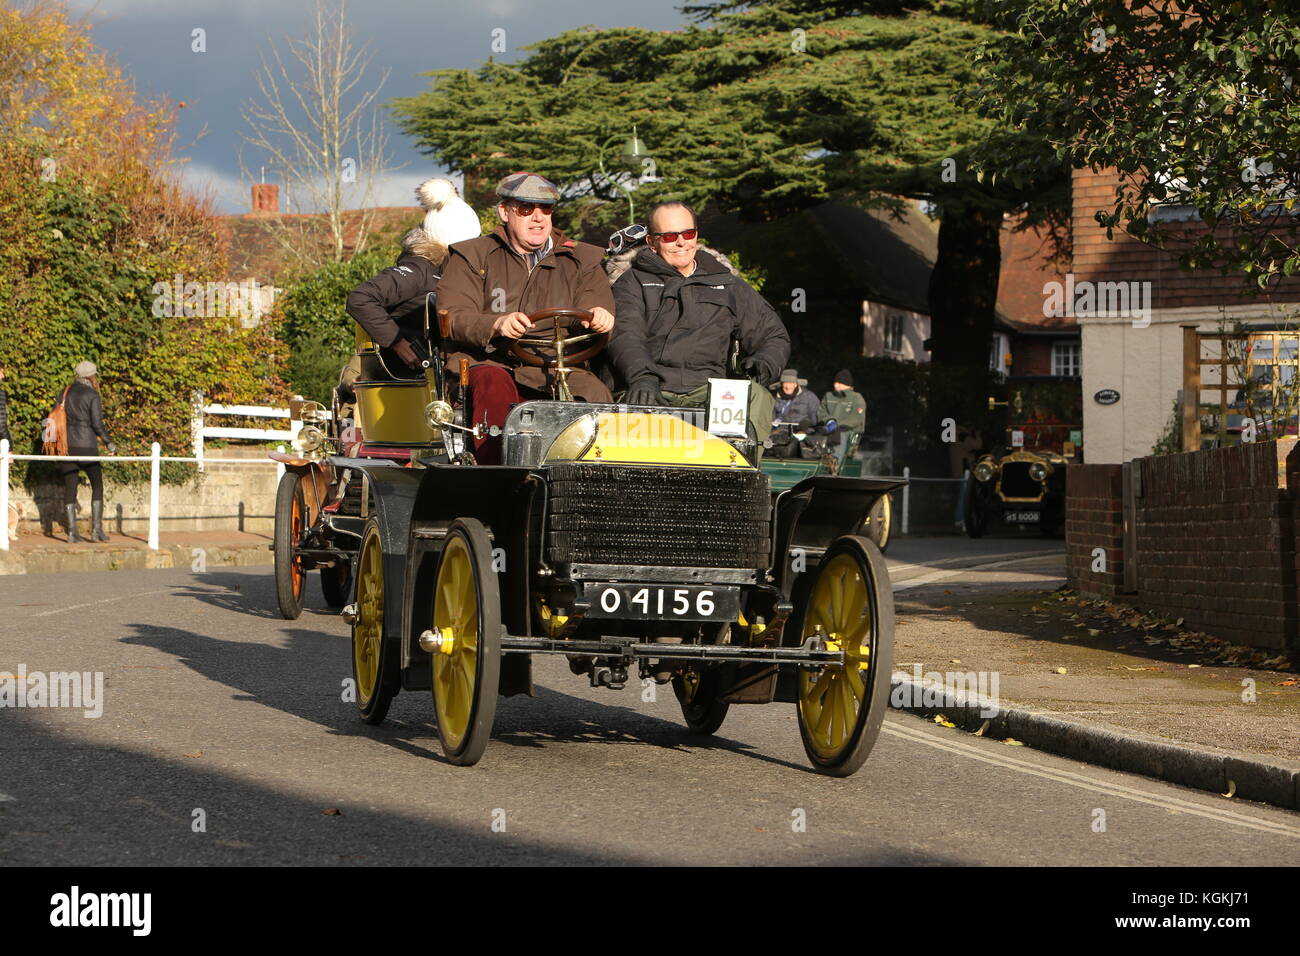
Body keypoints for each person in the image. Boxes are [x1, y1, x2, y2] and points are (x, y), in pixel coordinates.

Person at [436, 172, 615, 464]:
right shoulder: (472, 255)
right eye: (526, 209)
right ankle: (498, 476)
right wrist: (495, 324)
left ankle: (592, 478)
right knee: (494, 384)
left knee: (595, 392)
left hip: (556, 364)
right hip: (490, 360)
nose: (538, 218)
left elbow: (594, 303)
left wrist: (598, 316)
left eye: (546, 209)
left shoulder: (582, 259)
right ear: (504, 212)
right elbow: (452, 315)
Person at [608, 201, 789, 447]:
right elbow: (625, 335)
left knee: (756, 397)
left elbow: (773, 335)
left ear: (696, 235)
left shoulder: (727, 283)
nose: (681, 242)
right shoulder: (632, 283)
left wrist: (766, 362)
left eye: (688, 234)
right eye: (670, 236)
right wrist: (642, 378)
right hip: (652, 386)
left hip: (710, 391)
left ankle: (739, 474)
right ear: (652, 242)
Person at [345, 226, 449, 378]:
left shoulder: (437, 274)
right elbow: (360, 298)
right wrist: (398, 342)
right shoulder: (417, 272)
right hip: (409, 378)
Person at [60, 361, 114, 543]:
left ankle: (71, 532)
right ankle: (96, 530)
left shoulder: (65, 392)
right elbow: (97, 424)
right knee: (97, 485)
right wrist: (109, 443)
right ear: (92, 376)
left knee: (70, 487)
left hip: (67, 446)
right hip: (87, 446)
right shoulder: (92, 394)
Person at [818, 368, 867, 466]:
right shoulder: (829, 396)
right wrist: (829, 421)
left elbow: (857, 418)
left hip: (849, 432)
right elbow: (821, 412)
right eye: (835, 382)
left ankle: (835, 466)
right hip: (828, 428)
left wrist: (837, 424)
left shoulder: (856, 398)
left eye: (840, 383)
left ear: (847, 385)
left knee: (840, 435)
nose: (836, 385)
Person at [768, 369, 821, 458]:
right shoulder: (774, 398)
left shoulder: (809, 397)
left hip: (803, 433)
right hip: (780, 432)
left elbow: (816, 419)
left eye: (791, 383)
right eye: (785, 383)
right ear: (781, 384)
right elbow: (770, 417)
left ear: (796, 384)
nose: (788, 386)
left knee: (793, 445)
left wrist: (806, 429)